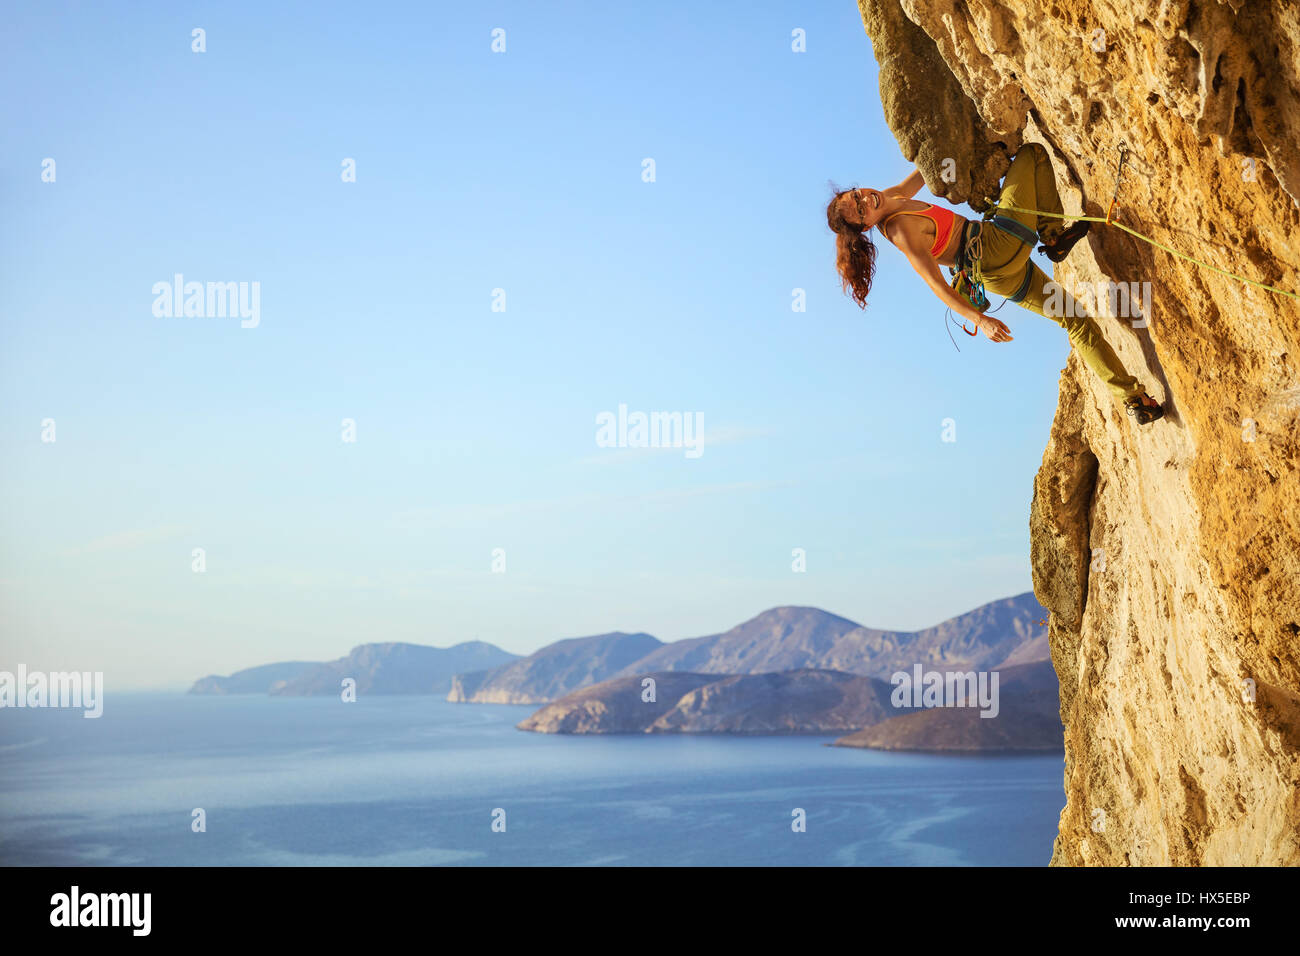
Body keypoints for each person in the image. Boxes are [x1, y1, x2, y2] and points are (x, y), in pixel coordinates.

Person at [826, 143, 1164, 423]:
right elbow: (936, 285)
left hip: (999, 276)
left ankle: (1134, 400)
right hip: (997, 246)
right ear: (865, 227)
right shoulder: (900, 230)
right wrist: (980, 320)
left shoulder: (889, 198)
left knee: (1075, 321)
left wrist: (944, 140)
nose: (864, 201)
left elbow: (929, 170)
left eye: (856, 195)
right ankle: (1053, 234)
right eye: (859, 211)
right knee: (1032, 155)